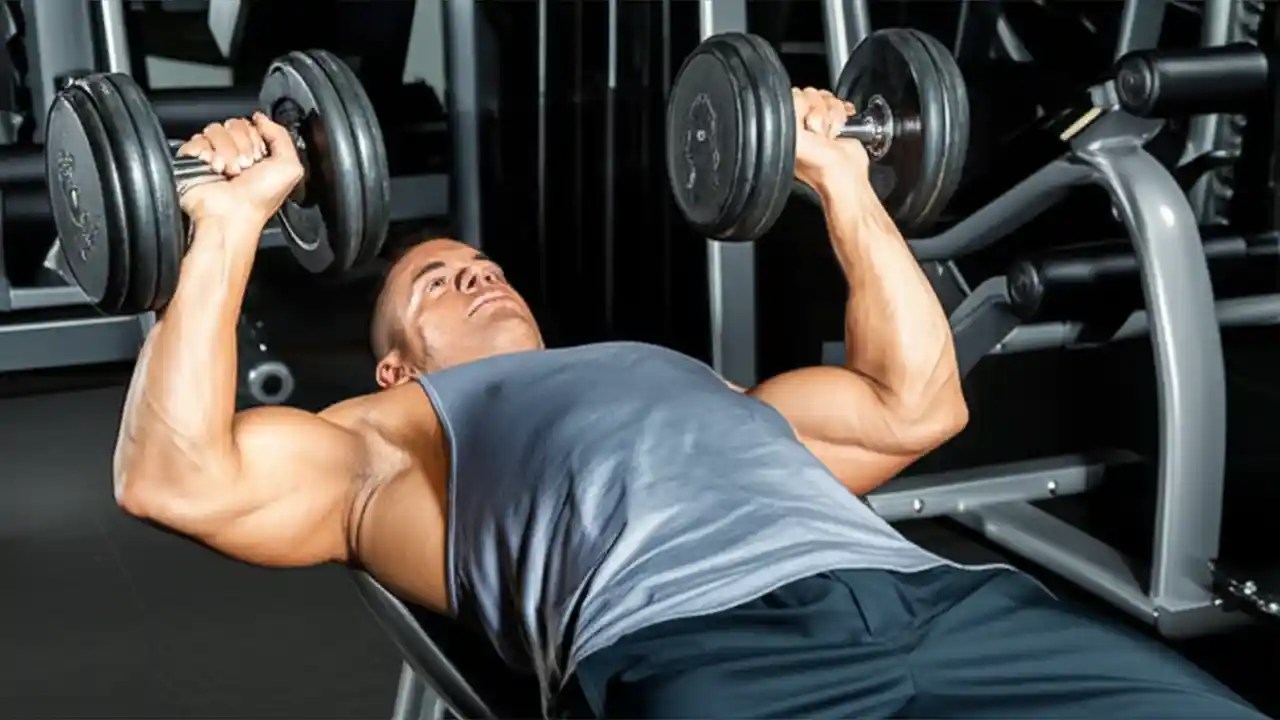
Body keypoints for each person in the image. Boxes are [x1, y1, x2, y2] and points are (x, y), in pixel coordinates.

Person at [112, 94, 1261, 719]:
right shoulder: (375, 447)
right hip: (704, 655)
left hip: (954, 609)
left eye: (482, 265)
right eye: (432, 281)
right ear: (395, 371)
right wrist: (225, 224)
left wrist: (842, 182)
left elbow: (916, 407)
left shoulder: (684, 378)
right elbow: (175, 478)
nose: (473, 273)